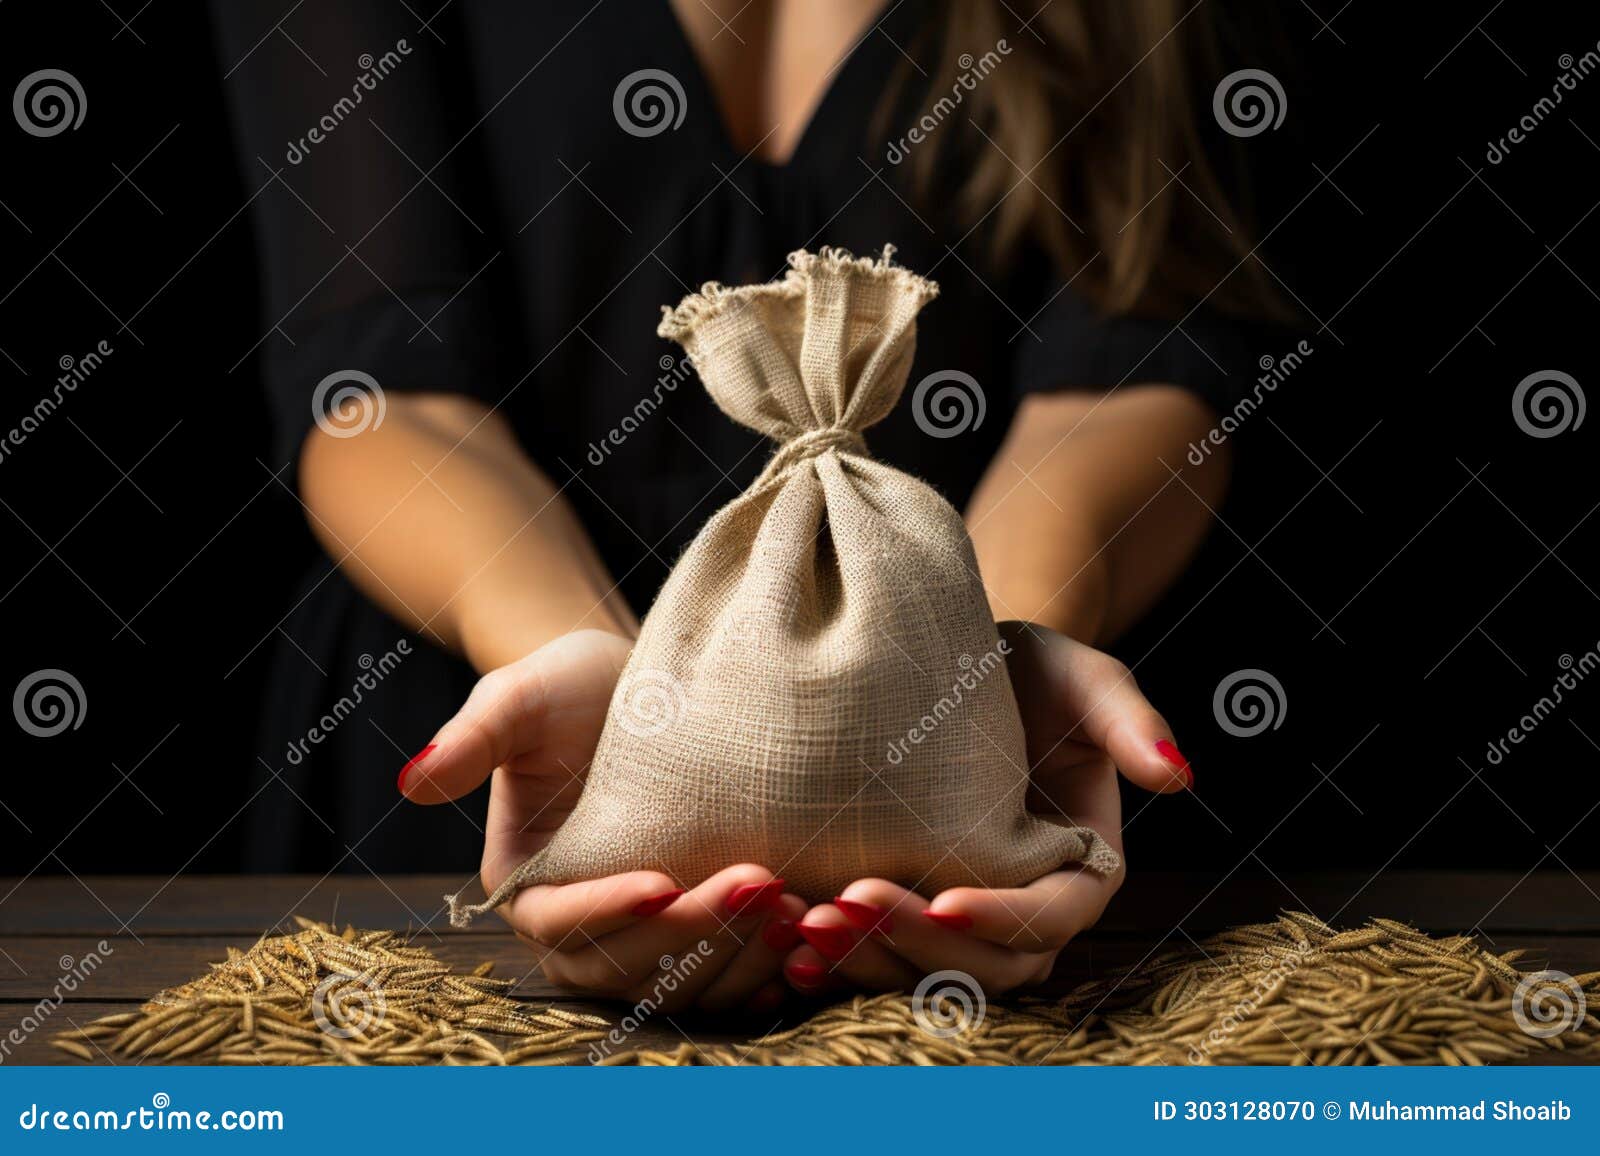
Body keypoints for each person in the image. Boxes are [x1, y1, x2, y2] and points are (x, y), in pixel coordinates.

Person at [216, 0, 1283, 1012]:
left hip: (1009, 630)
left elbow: (1131, 368)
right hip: (497, 709)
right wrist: (629, 722)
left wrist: (974, 687)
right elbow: (381, 388)